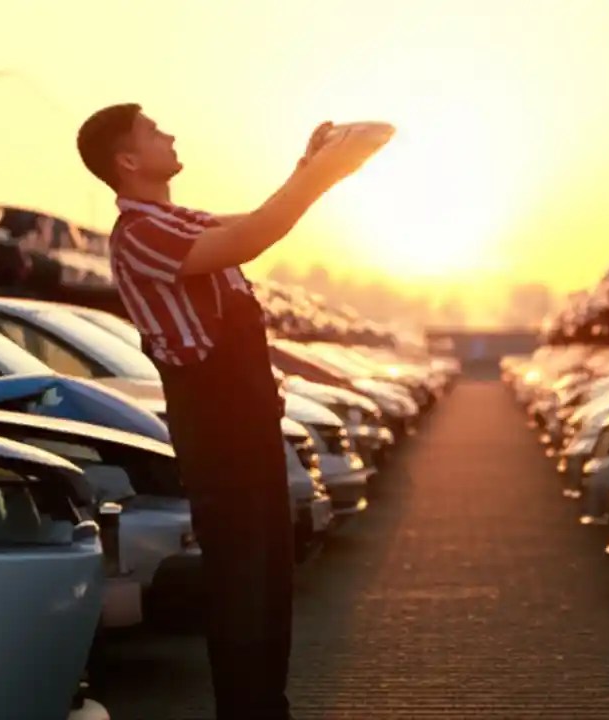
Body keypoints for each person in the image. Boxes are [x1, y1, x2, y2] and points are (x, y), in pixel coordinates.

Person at [76, 104, 389, 719]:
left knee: (268, 583)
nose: (169, 133)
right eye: (152, 131)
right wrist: (322, 173)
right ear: (128, 161)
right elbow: (253, 236)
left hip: (245, 428)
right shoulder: (142, 235)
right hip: (218, 432)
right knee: (245, 588)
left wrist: (310, 168)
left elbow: (255, 220)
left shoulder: (176, 220)